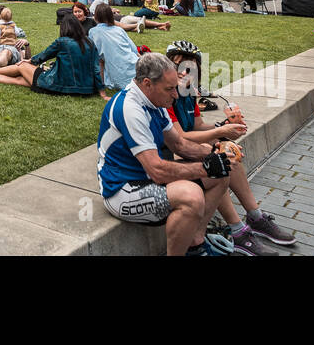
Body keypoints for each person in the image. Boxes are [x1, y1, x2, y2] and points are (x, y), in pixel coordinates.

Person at [96, 52, 234, 256]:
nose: (176, 95)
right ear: (147, 83)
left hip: (146, 180)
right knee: (192, 196)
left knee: (221, 175)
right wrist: (205, 167)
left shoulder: (154, 102)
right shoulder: (130, 109)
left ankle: (195, 244)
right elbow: (158, 171)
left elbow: (179, 145)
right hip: (121, 191)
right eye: (170, 89)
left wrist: (215, 154)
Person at [164, 41, 296, 255]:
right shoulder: (166, 96)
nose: (184, 73)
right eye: (179, 66)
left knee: (227, 151)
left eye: (190, 68)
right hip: (169, 157)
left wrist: (223, 126)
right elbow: (180, 138)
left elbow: (197, 126)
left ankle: (255, 217)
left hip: (185, 151)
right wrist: (219, 133)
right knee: (221, 158)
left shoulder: (188, 93)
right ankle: (238, 230)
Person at [0, 12, 103, 96]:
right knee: (22, 80)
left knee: (22, 66)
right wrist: (101, 92)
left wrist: (30, 61)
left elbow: (43, 55)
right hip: (86, 89)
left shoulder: (62, 42)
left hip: (58, 86)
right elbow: (96, 69)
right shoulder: (90, 43)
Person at [90, 7, 141, 96]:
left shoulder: (93, 32)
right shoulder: (119, 30)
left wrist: (102, 89)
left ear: (96, 16)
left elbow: (99, 60)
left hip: (118, 79)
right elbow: (134, 50)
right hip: (136, 70)